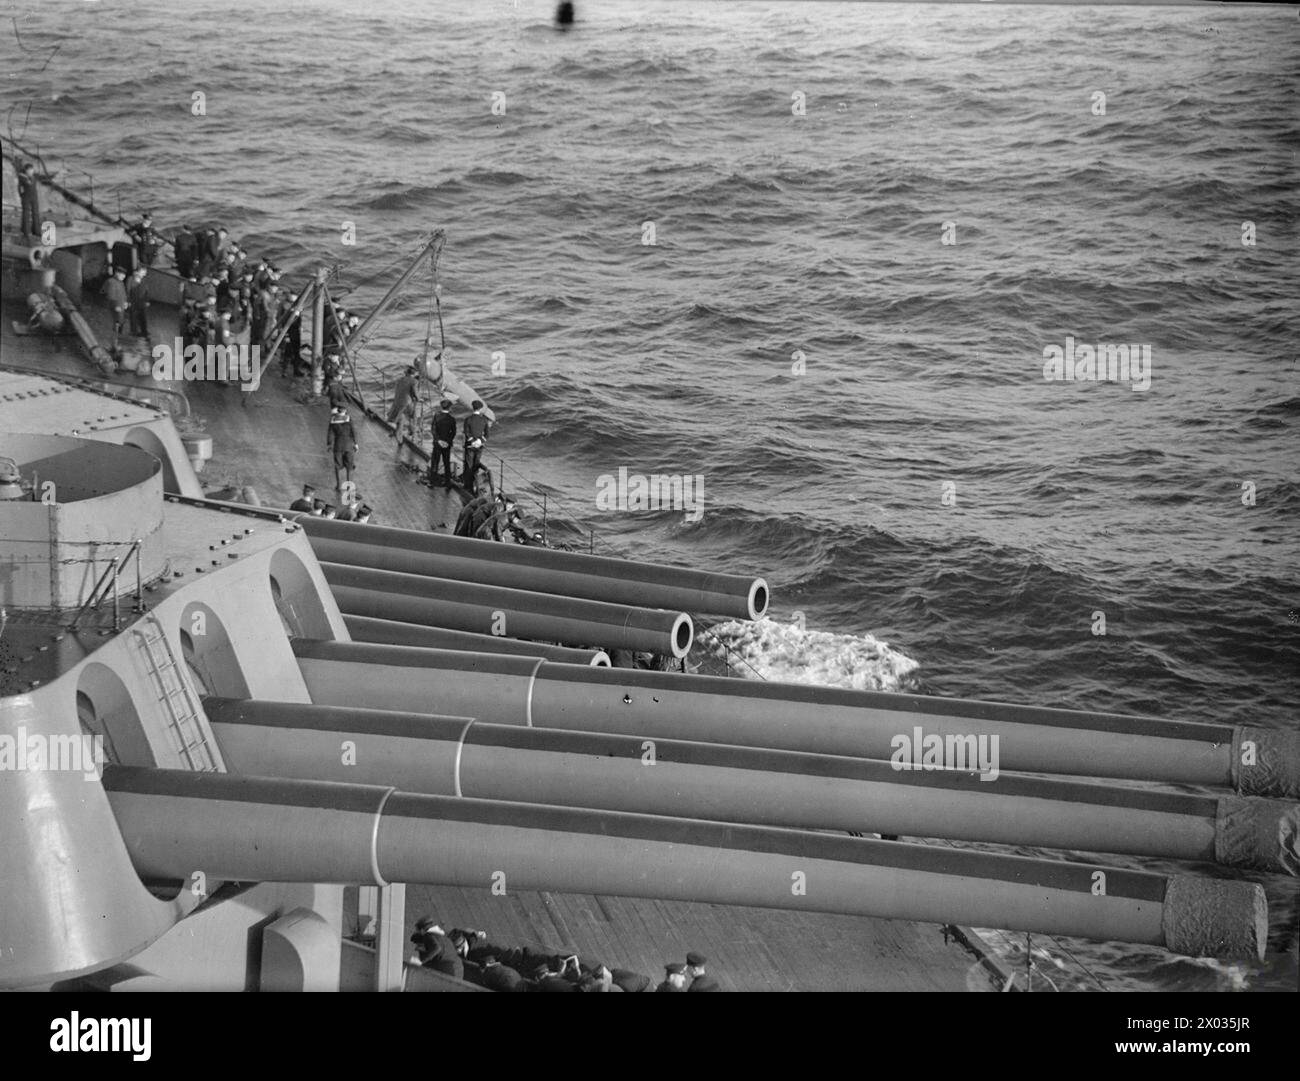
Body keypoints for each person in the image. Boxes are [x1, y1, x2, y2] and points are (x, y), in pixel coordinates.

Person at [326, 406, 358, 495]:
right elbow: (353, 432)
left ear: (338, 411)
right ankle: (349, 486)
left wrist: (329, 444)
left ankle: (339, 485)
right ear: (345, 411)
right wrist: (356, 444)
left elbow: (330, 434)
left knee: (337, 465)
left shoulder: (333, 421)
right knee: (349, 466)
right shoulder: (349, 419)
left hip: (338, 446)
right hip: (349, 445)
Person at [460, 399, 490, 492]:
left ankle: (467, 486)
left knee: (469, 465)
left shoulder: (468, 419)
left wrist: (473, 441)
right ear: (480, 409)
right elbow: (487, 434)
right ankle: (475, 485)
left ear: (472, 408)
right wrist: (480, 441)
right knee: (476, 466)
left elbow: (466, 433)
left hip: (470, 446)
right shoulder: (484, 420)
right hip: (480, 446)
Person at [429, 399, 456, 488]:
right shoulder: (452, 419)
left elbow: (433, 430)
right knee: (446, 462)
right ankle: (447, 482)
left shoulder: (436, 416)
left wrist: (438, 440)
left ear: (441, 406)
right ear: (450, 408)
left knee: (435, 462)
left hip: (437, 443)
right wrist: (447, 442)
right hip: (447, 444)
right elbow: (453, 432)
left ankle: (432, 481)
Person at [18, 162, 42, 237]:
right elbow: (20, 188)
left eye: (32, 170)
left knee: (36, 213)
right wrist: (22, 196)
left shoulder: (33, 177)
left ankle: (36, 231)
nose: (31, 171)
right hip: (26, 197)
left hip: (34, 197)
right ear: (26, 171)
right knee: (26, 214)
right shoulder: (22, 178)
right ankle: (26, 231)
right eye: (30, 170)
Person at [102, 267, 128, 336]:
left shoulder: (121, 282)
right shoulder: (111, 282)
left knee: (121, 322)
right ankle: (115, 340)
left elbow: (124, 293)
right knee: (116, 323)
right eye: (122, 275)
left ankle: (119, 337)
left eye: (124, 275)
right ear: (116, 273)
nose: (123, 277)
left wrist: (125, 302)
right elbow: (111, 296)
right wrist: (115, 306)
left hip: (121, 305)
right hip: (115, 306)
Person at [127, 267, 150, 339]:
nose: (145, 274)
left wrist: (147, 300)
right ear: (137, 272)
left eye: (145, 272)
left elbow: (146, 291)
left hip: (142, 301)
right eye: (143, 272)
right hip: (133, 300)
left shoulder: (144, 280)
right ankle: (134, 332)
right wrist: (128, 301)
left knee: (143, 316)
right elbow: (128, 290)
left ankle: (144, 331)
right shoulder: (130, 279)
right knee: (133, 316)